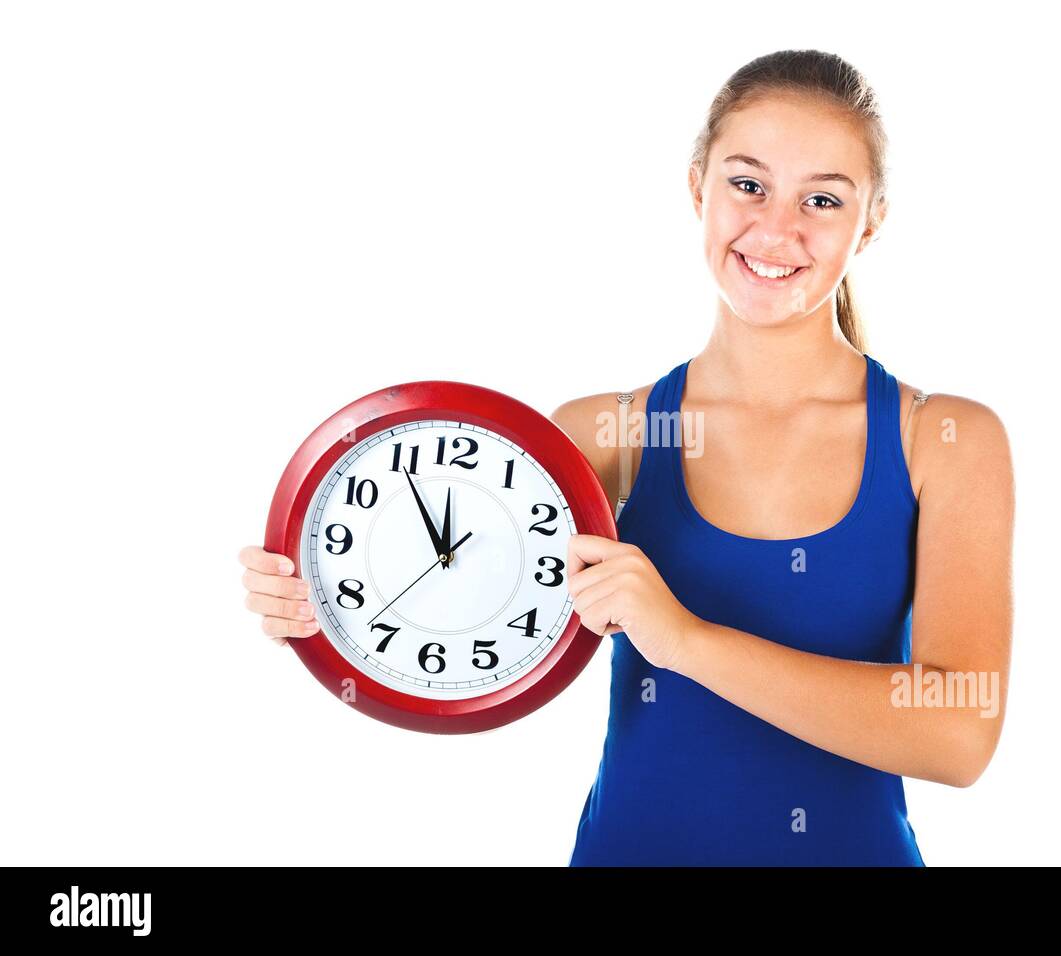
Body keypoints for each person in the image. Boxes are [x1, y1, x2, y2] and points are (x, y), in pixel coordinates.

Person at [238, 49, 1015, 866]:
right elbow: (463, 608)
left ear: (874, 220)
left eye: (822, 199)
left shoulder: (943, 440)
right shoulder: (602, 435)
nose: (776, 228)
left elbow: (958, 736)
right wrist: (323, 605)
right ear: (697, 188)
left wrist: (685, 641)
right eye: (747, 184)